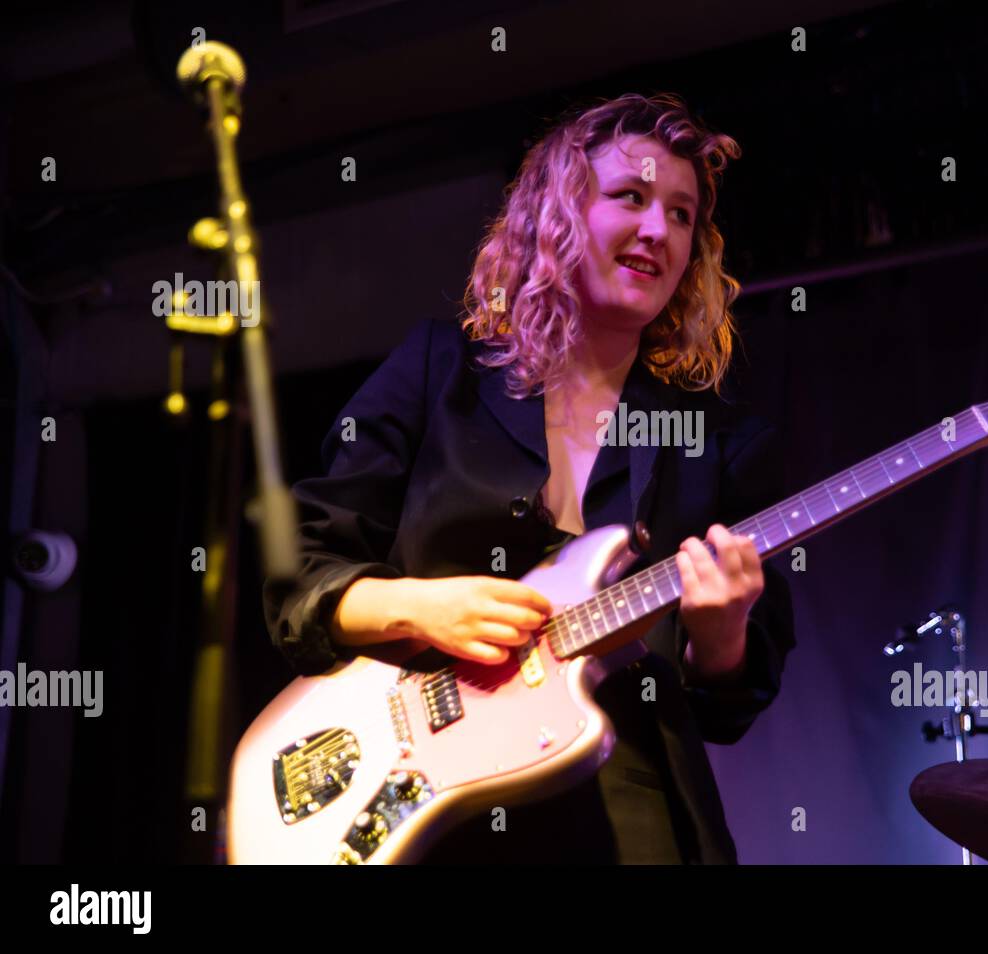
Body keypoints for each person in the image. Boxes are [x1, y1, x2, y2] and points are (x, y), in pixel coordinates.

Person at [264, 92, 796, 864]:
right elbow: (299, 575)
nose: (658, 230)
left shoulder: (720, 442)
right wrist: (421, 607)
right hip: (431, 803)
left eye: (682, 215)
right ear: (559, 214)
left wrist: (720, 637)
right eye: (631, 198)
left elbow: (730, 704)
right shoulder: (436, 372)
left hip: (632, 811)